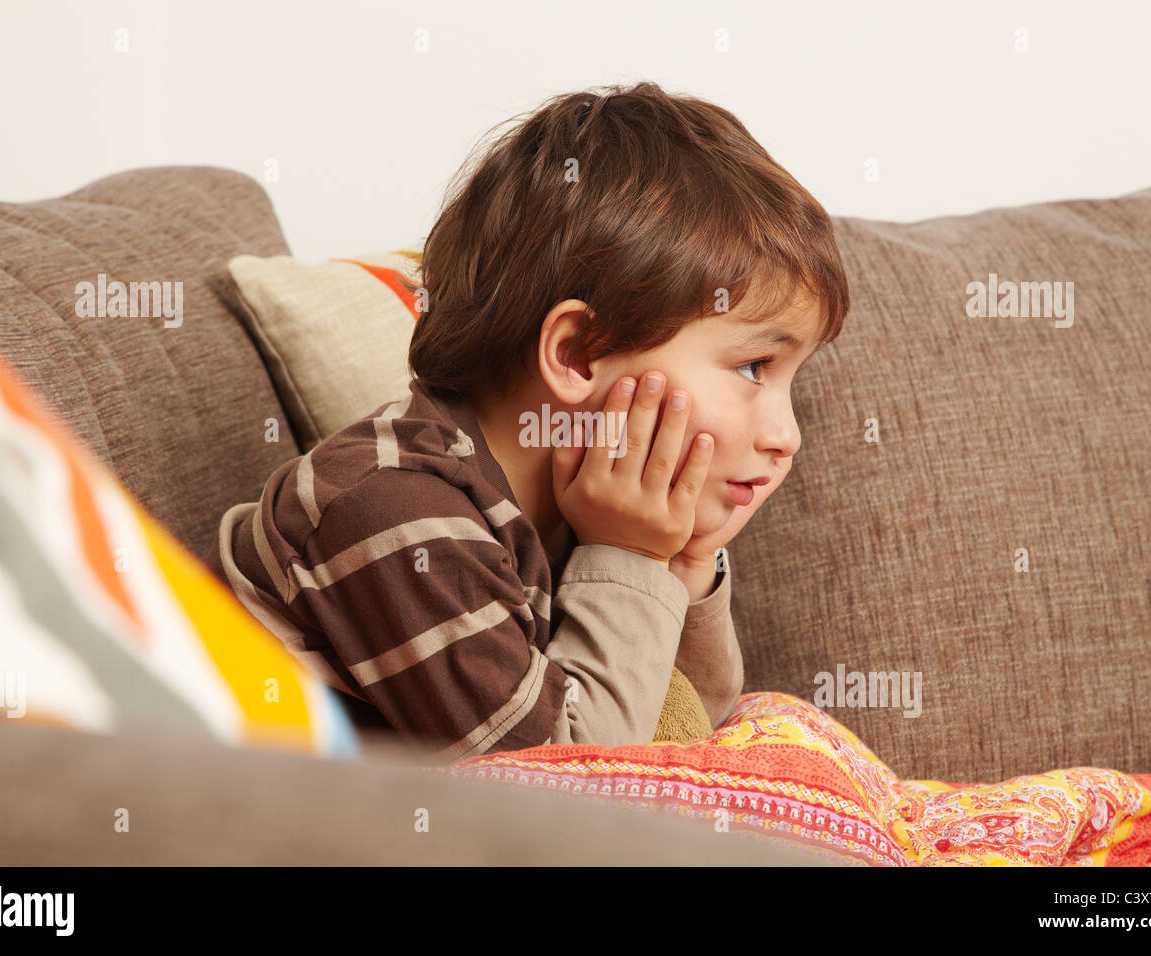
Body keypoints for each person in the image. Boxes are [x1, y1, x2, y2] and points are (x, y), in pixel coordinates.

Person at [204, 81, 849, 760]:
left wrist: (681, 562)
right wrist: (630, 559)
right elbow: (570, 789)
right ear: (577, 353)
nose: (787, 436)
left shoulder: (582, 505)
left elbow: (683, 726)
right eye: (754, 369)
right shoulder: (388, 509)